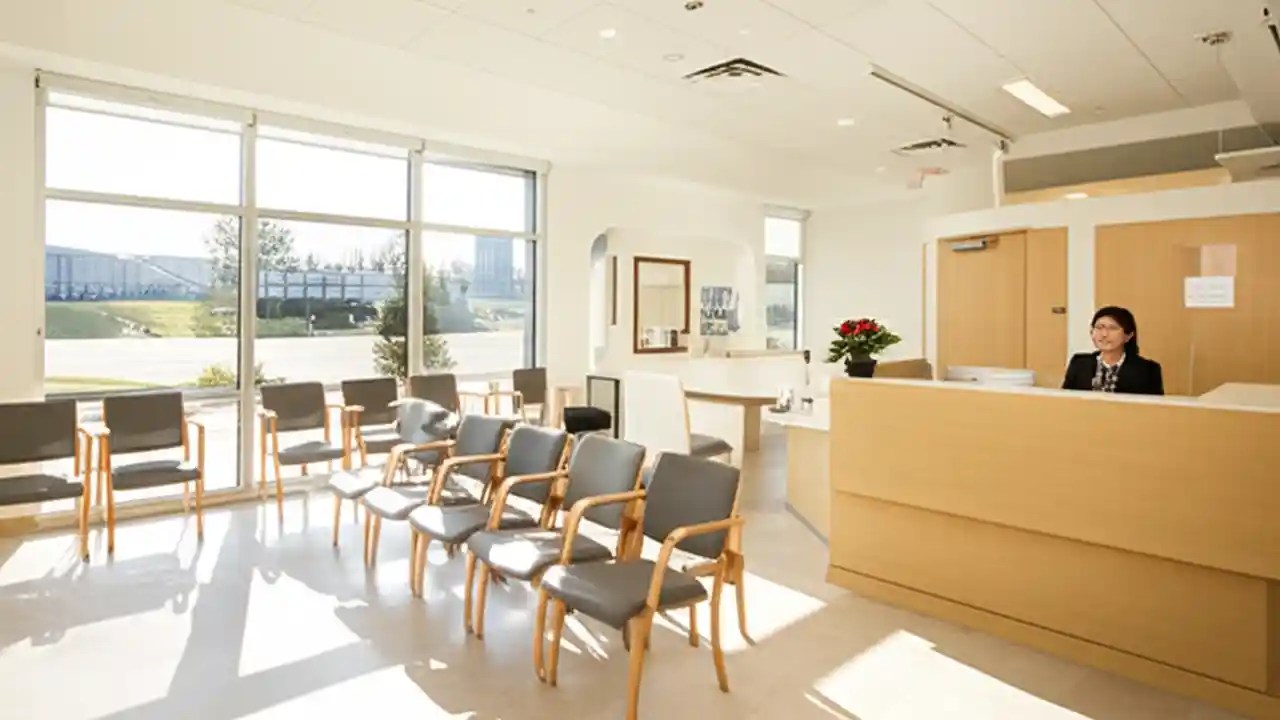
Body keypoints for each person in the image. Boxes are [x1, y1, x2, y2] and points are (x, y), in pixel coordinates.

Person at [1062, 306, 1164, 395]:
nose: (1104, 334)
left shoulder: (1148, 370)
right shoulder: (1079, 363)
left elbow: (1154, 410)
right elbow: (1065, 401)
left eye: (1113, 328)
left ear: (1128, 336)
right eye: (1099, 327)